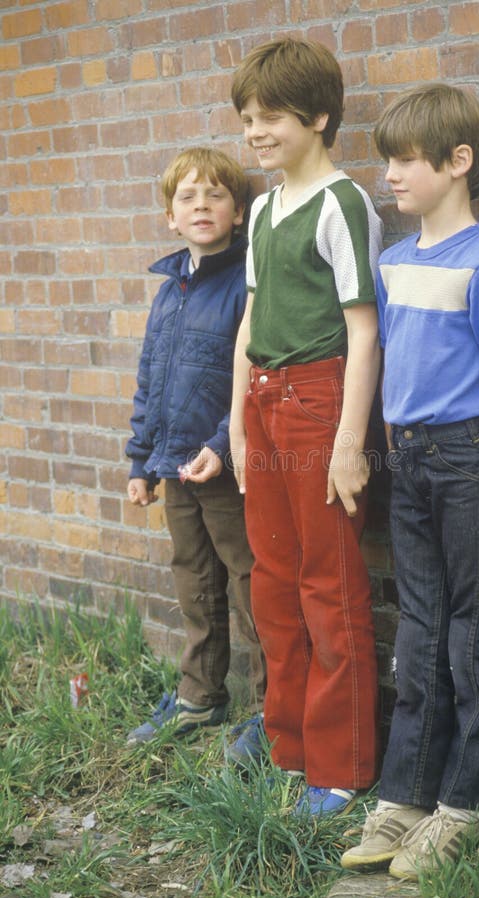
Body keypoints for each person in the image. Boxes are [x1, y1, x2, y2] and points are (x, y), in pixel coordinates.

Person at [341, 84, 479, 877]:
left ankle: (466, 803)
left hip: (470, 462)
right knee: (419, 630)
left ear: (457, 163)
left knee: (473, 631)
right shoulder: (392, 263)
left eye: (404, 159)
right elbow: (394, 366)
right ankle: (407, 797)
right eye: (386, 158)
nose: (389, 174)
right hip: (411, 460)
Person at [225, 38, 383, 817]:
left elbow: (364, 331)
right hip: (262, 397)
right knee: (274, 578)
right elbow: (251, 317)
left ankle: (341, 764)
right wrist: (238, 422)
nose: (255, 131)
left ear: (319, 117)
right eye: (247, 118)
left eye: (272, 117)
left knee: (329, 585)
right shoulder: (262, 207)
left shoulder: (341, 204)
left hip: (320, 403)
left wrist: (350, 446)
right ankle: (285, 740)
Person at [125, 147, 266, 745]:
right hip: (175, 465)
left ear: (239, 212)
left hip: (225, 464)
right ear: (170, 217)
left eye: (215, 195)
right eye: (188, 196)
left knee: (248, 579)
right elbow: (151, 377)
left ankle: (271, 708)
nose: (201, 205)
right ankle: (200, 695)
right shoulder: (168, 292)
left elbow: (253, 375)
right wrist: (141, 459)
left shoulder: (245, 284)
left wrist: (222, 445)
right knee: (193, 577)